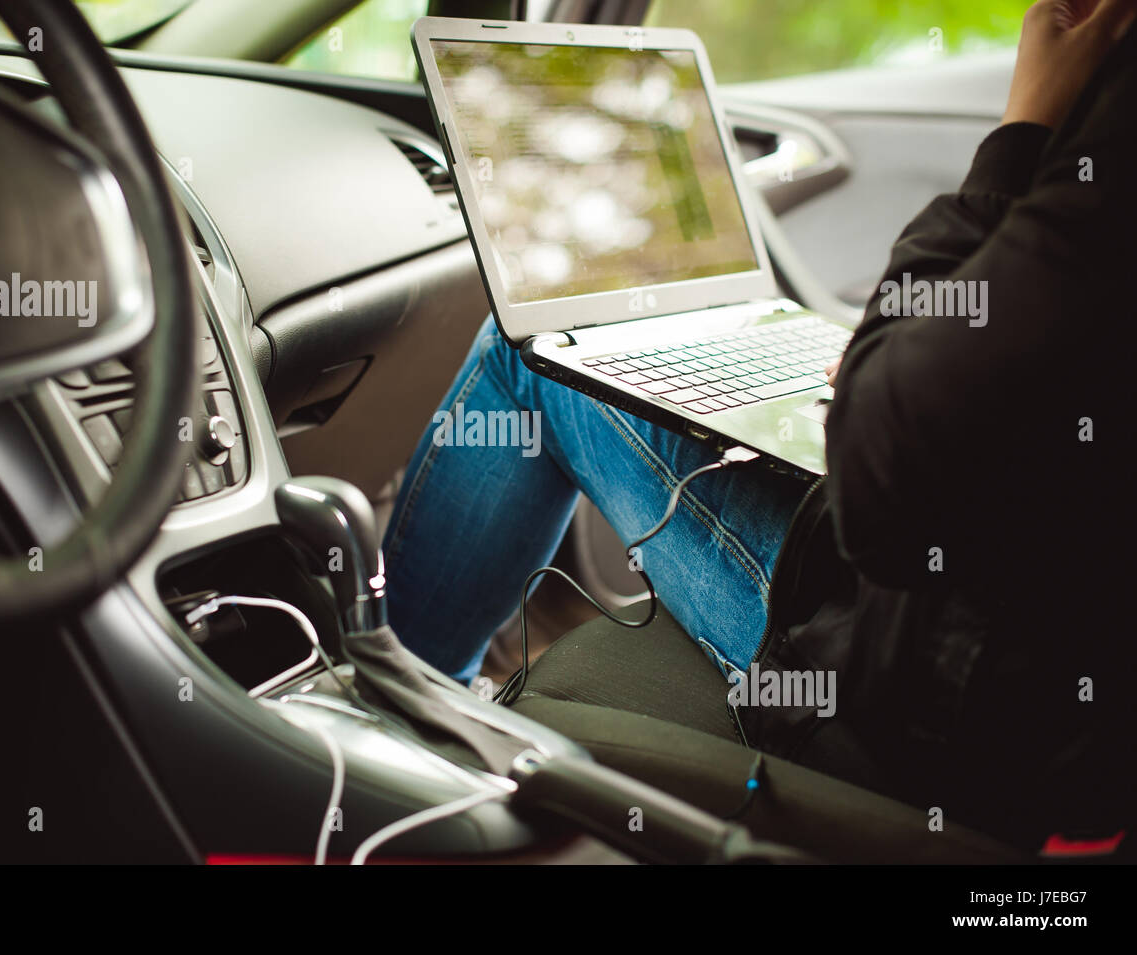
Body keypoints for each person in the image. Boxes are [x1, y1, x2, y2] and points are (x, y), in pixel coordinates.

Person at [382, 0, 1137, 849]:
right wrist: (904, 366)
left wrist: (1022, 129)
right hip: (1028, 669)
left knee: (524, 354)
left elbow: (883, 495)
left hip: (926, 703)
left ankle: (393, 728)